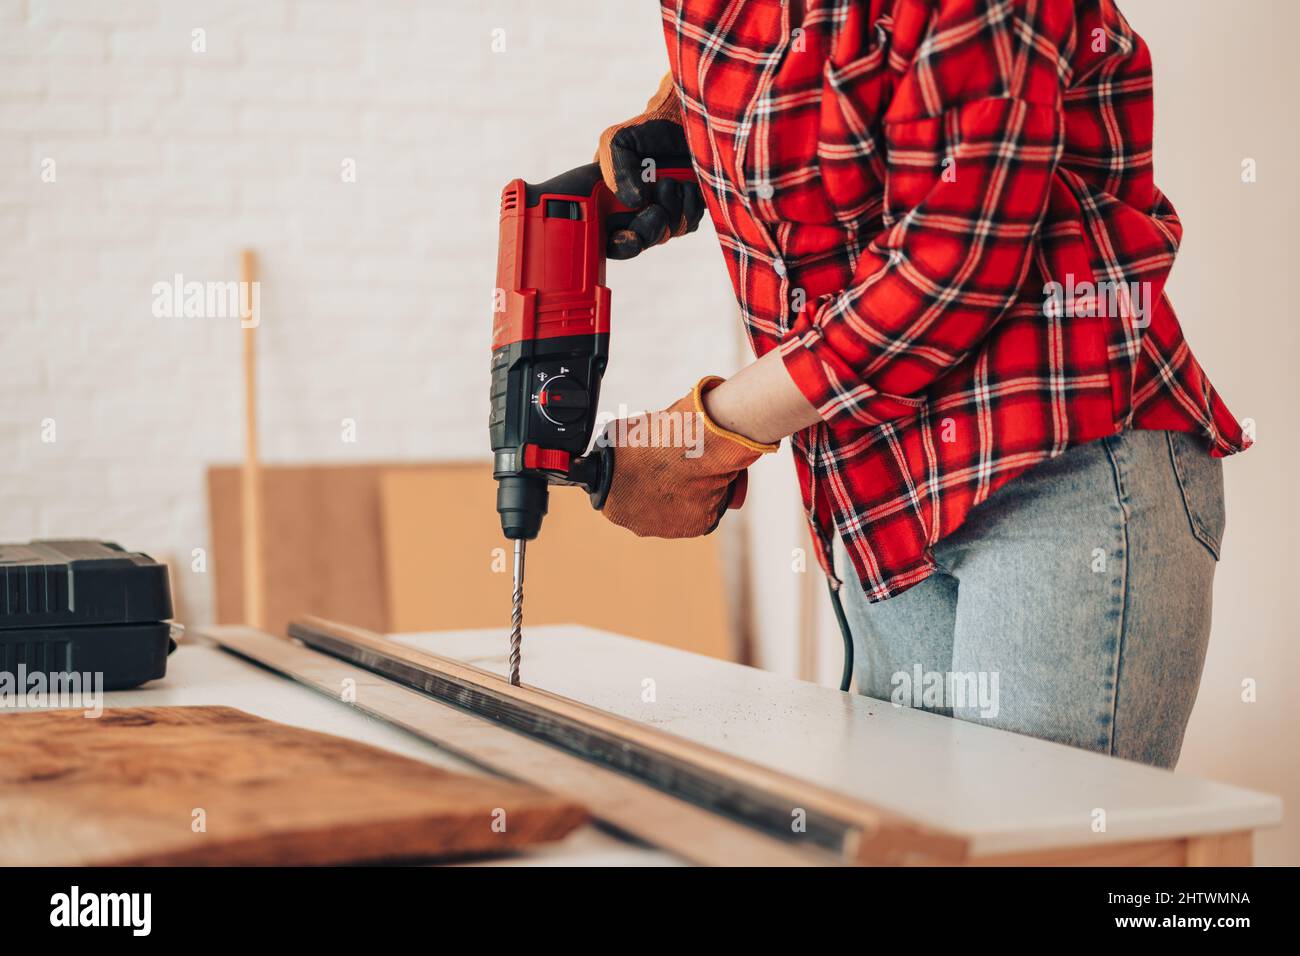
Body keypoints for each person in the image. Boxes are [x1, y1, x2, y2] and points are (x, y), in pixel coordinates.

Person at [582, 0, 1247, 770]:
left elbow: (948, 272)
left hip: (1057, 466)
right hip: (874, 496)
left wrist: (702, 440)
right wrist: (679, 120)